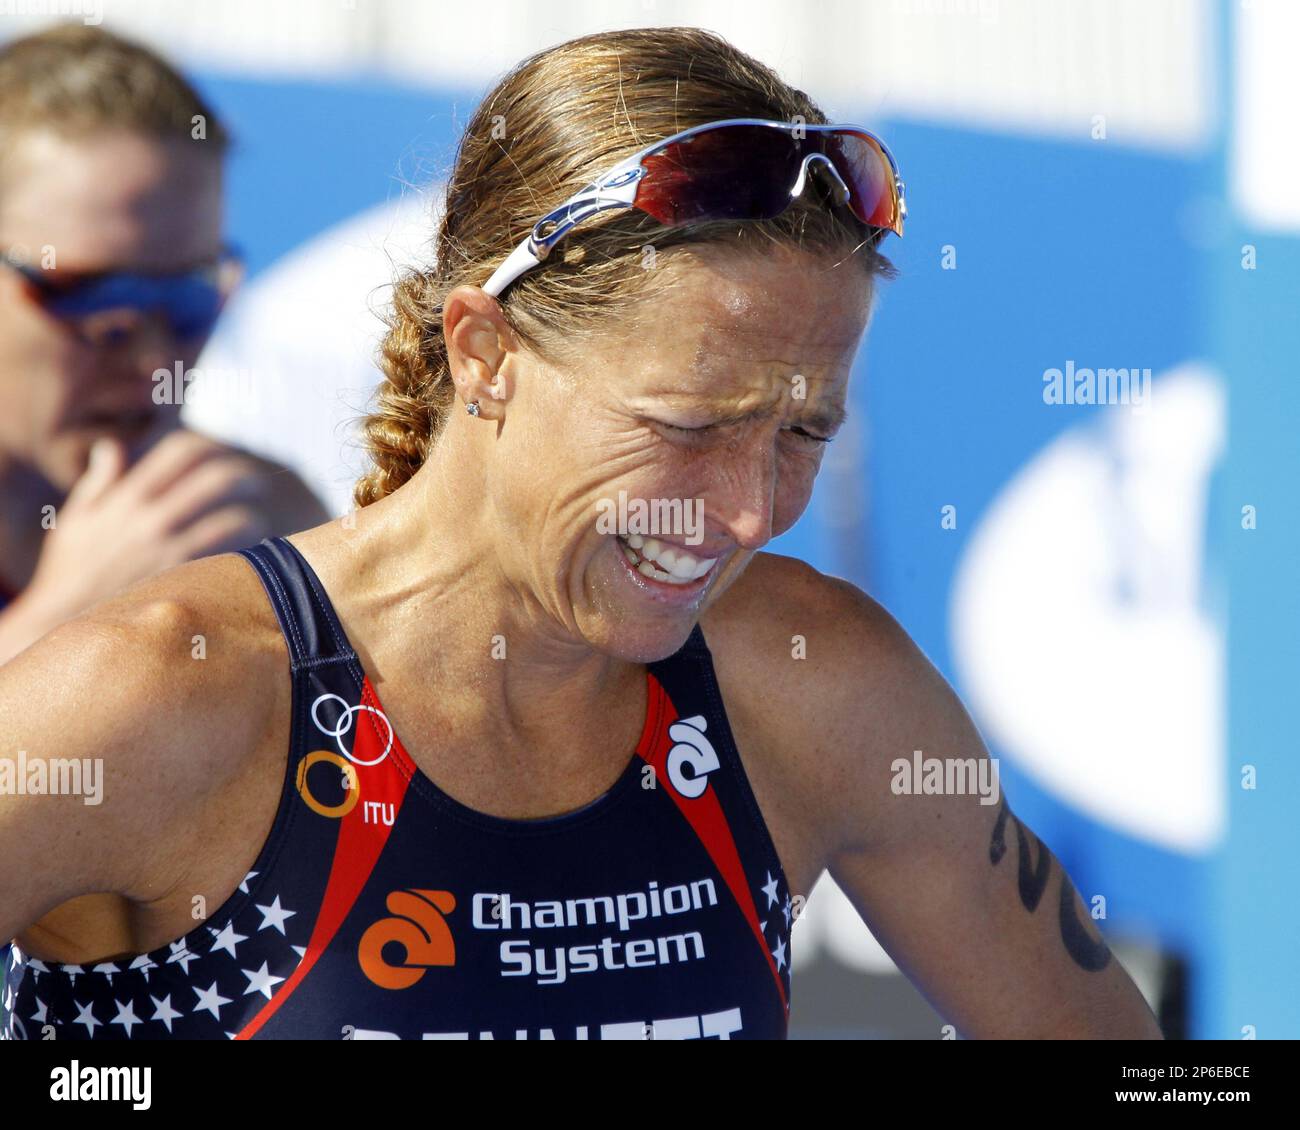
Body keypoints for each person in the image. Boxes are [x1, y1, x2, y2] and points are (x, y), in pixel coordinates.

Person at [0, 26, 1162, 1040]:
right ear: (484, 354)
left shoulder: (810, 682)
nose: (753, 509)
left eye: (804, 429)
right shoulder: (159, 689)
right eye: (688, 424)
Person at [0, 24, 328, 666]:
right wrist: (60, 621)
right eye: (97, 302)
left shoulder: (264, 524)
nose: (155, 363)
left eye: (189, 299)